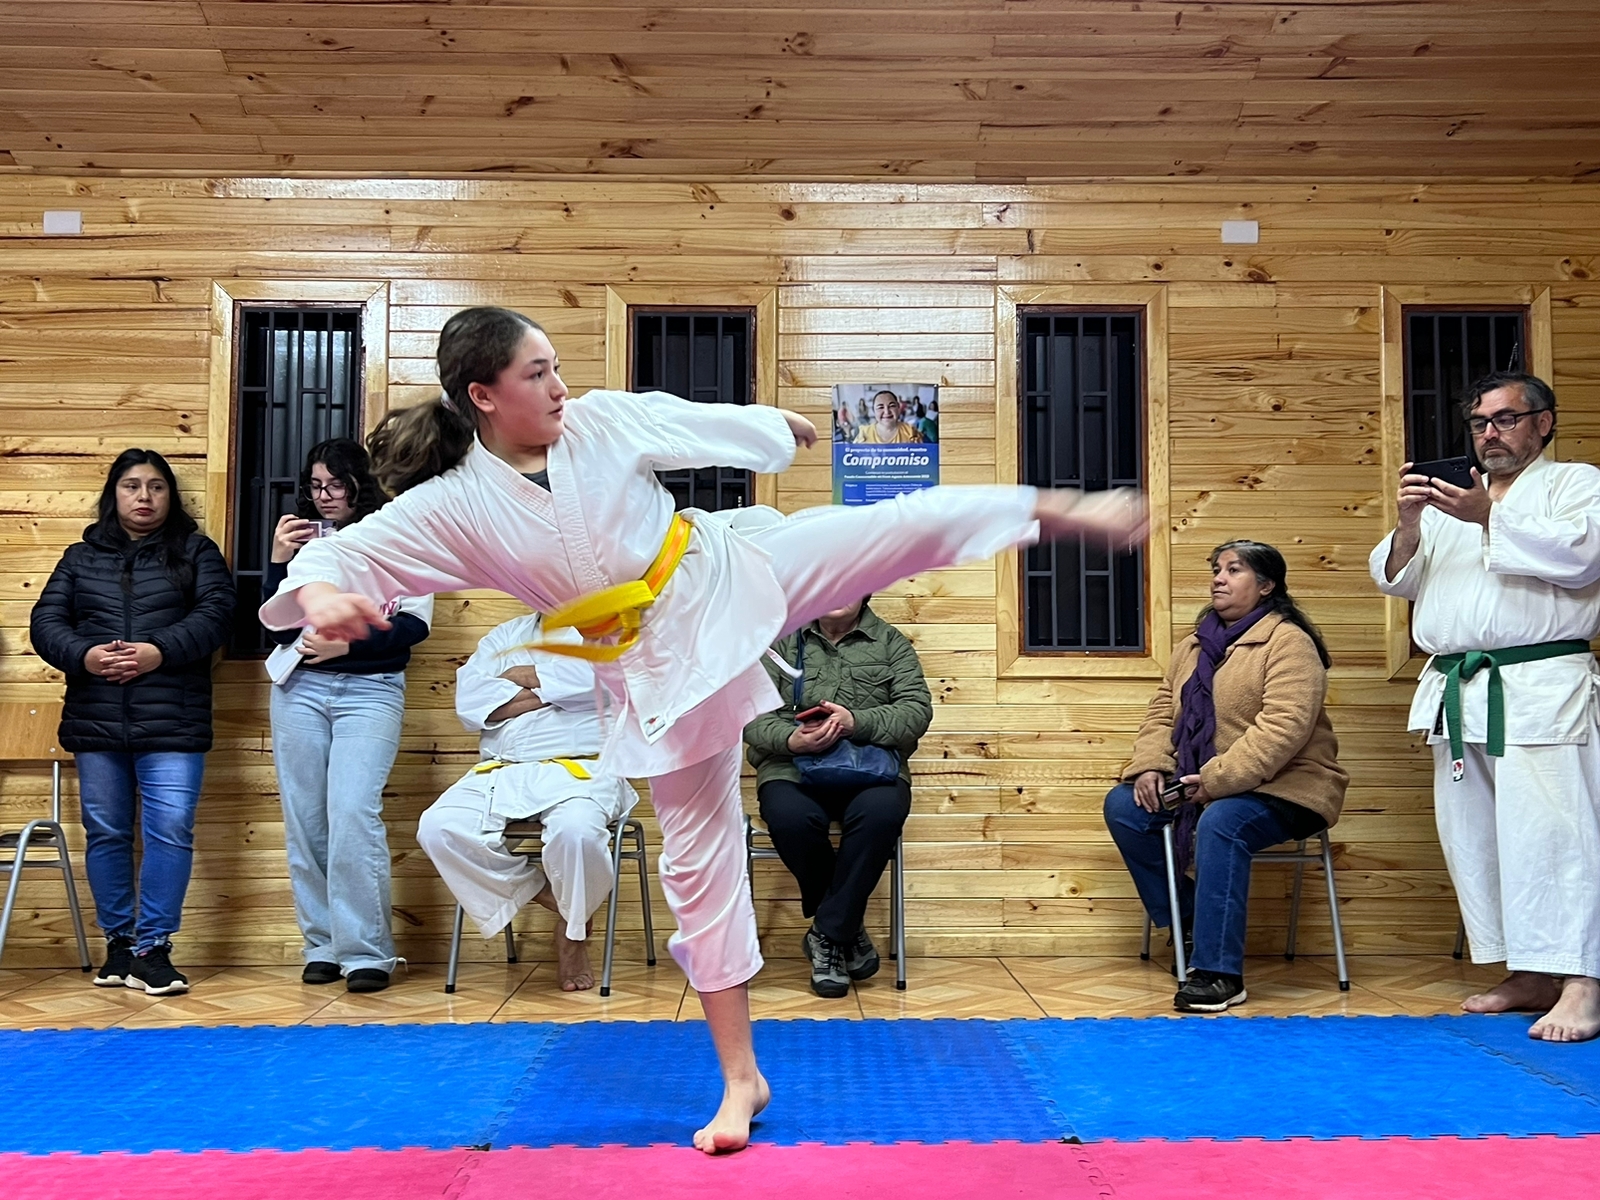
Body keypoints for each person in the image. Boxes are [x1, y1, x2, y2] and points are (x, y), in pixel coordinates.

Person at [258, 305, 1144, 1152]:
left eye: (558, 366)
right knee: (696, 862)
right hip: (650, 672)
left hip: (725, 571)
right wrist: (325, 591)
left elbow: (682, 418)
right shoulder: (454, 506)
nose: (561, 385)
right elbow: (347, 549)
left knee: (880, 528)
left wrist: (768, 426)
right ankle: (740, 1077)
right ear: (485, 396)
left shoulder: (599, 422)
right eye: (539, 373)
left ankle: (1054, 509)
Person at [1371, 371, 1600, 1043]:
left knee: (1557, 837)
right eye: (1479, 423)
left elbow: (1582, 557)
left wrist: (1488, 517)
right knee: (1480, 839)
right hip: (1459, 690)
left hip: (1541, 686)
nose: (1490, 433)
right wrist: (1411, 522)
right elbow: (1395, 577)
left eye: (1505, 418)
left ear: (1543, 424)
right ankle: (1528, 972)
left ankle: (1583, 983)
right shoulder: (1454, 500)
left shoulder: (1576, 484)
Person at [1105, 540, 1347, 1013]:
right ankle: (1191, 917)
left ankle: (1217, 972)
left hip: (1289, 786)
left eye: (1234, 570)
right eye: (1217, 569)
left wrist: (1214, 781)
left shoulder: (1289, 642)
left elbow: (1283, 730)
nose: (1219, 578)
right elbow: (1161, 712)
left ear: (1266, 585)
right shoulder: (1193, 645)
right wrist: (1151, 766)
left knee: (1222, 822)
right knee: (1124, 807)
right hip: (1206, 782)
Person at [29, 449, 235, 996]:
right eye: (131, 486)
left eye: (156, 487)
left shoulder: (196, 552)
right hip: (97, 720)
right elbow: (46, 622)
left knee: (169, 832)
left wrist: (157, 652)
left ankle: (153, 949)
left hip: (175, 722)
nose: (144, 497)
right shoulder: (79, 557)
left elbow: (217, 615)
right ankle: (118, 946)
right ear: (113, 494)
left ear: (171, 495)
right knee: (108, 833)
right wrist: (87, 655)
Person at [262, 438, 433, 994]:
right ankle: (323, 945)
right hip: (300, 687)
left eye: (336, 484)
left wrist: (348, 648)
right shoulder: (309, 543)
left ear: (361, 483)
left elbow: (412, 628)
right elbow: (277, 624)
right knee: (306, 820)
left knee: (353, 814)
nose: (325, 496)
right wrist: (278, 563)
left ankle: (367, 953)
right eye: (315, 486)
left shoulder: (399, 536)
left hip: (372, 690)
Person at [417, 612, 636, 991]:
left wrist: (522, 676)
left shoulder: (605, 632)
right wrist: (555, 691)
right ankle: (556, 901)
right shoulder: (504, 635)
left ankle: (573, 938)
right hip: (502, 769)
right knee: (438, 828)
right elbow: (470, 703)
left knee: (577, 833)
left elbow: (604, 685)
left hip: (581, 768)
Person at [744, 596, 931, 997]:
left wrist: (855, 722)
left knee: (881, 815)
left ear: (866, 592)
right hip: (791, 768)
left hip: (872, 771)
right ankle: (846, 929)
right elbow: (749, 717)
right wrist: (792, 740)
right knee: (790, 818)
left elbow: (916, 712)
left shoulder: (890, 643)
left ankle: (827, 935)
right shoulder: (778, 644)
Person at [853, 390, 922, 444]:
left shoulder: (911, 432)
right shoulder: (864, 434)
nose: (887, 412)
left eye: (892, 406)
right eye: (880, 407)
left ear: (898, 408)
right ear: (873, 411)